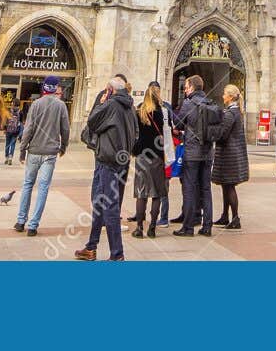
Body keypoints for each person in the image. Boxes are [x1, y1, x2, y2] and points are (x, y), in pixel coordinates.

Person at [74, 76, 137, 261]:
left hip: (107, 160)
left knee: (109, 206)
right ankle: (91, 247)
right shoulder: (130, 107)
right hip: (121, 160)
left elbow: (92, 122)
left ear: (111, 90)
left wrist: (102, 102)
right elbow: (136, 134)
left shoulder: (110, 105)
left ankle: (117, 254)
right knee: (100, 204)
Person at [13, 75, 70, 238]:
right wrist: (63, 146)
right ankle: (33, 225)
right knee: (43, 188)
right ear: (57, 88)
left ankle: (20, 221)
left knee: (28, 185)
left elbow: (28, 128)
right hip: (50, 153)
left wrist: (23, 149)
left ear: (44, 88)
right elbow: (65, 129)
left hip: (34, 151)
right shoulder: (61, 106)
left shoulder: (36, 105)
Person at [171, 74, 218, 236]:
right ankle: (207, 226)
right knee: (206, 189)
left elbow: (177, 123)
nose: (185, 90)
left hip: (192, 152)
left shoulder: (188, 103)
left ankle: (188, 227)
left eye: (186, 87)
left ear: (192, 88)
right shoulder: (209, 102)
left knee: (190, 189)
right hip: (208, 153)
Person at [129, 81, 169, 238]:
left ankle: (139, 228)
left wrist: (135, 149)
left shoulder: (140, 110)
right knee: (157, 193)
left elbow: (134, 133)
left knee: (141, 193)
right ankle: (152, 227)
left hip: (142, 156)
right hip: (157, 156)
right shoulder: (161, 112)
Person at [211, 84, 249, 229]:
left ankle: (235, 218)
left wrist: (212, 133)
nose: (222, 96)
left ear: (231, 97)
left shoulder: (230, 113)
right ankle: (225, 216)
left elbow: (223, 133)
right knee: (226, 185)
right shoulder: (236, 112)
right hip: (233, 153)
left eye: (225, 94)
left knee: (229, 186)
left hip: (229, 155)